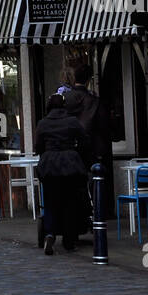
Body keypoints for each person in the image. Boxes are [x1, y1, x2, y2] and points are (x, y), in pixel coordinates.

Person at [34, 92, 89, 255]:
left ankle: (50, 233)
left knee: (50, 202)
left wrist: (47, 154)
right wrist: (75, 152)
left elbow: (39, 147)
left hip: (50, 165)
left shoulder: (43, 123)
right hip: (70, 165)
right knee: (70, 203)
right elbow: (85, 140)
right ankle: (68, 241)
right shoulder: (72, 121)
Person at [70, 62, 114, 215]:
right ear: (89, 80)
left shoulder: (64, 99)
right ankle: (95, 212)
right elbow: (103, 126)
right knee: (93, 181)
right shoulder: (93, 101)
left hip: (68, 149)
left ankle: (75, 211)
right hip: (90, 149)